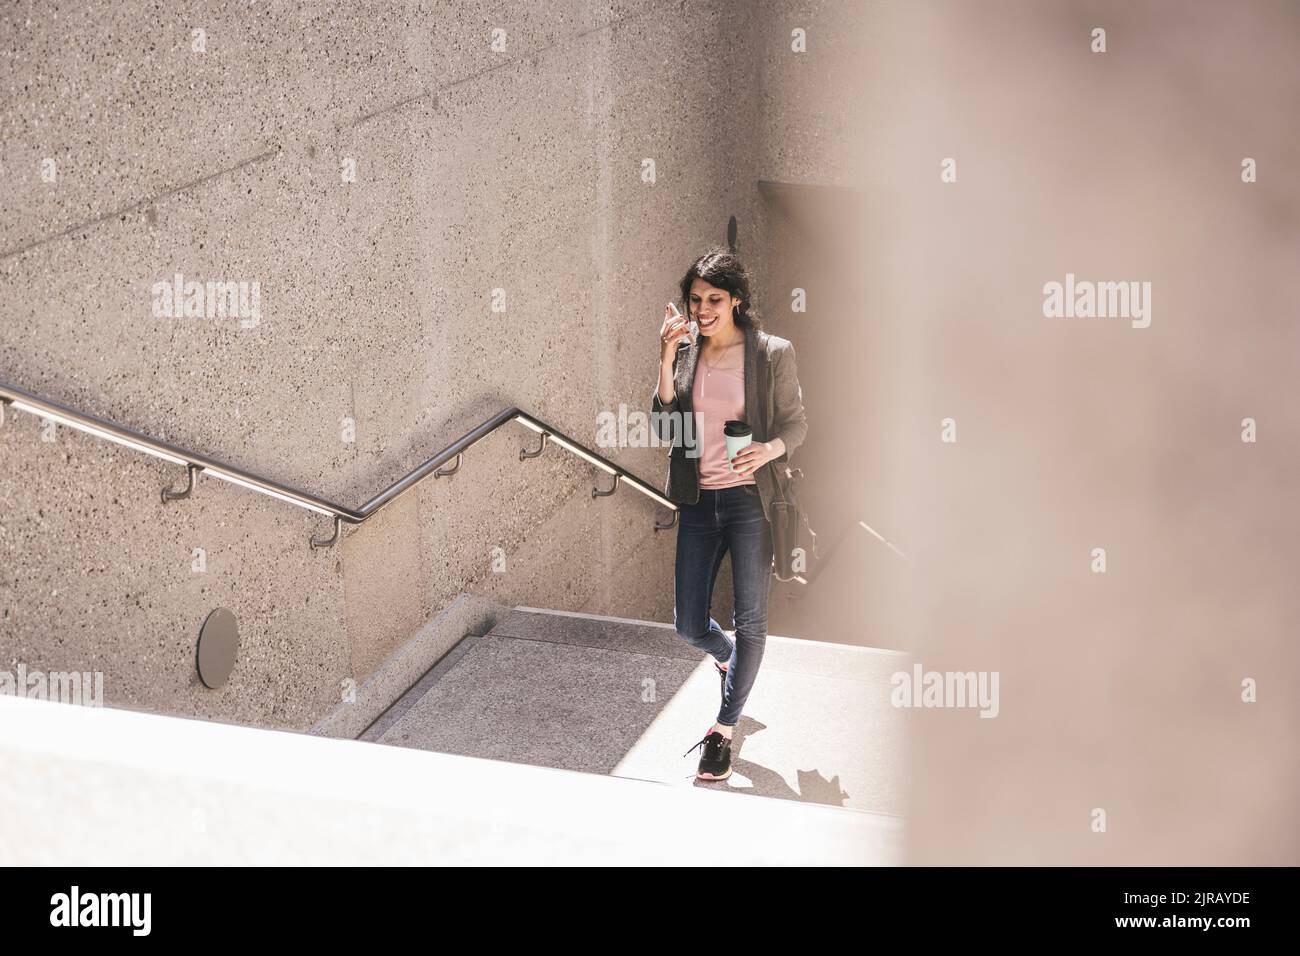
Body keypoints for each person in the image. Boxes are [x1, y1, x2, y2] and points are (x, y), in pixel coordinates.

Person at [652, 247, 808, 781]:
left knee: (753, 622)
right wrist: (667, 357)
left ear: (736, 299)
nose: (702, 308)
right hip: (699, 500)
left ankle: (723, 729)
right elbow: (665, 426)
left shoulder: (771, 353)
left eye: (714, 298)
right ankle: (726, 657)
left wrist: (769, 450)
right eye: (695, 299)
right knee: (688, 623)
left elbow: (796, 425)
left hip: (750, 503)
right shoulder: (689, 350)